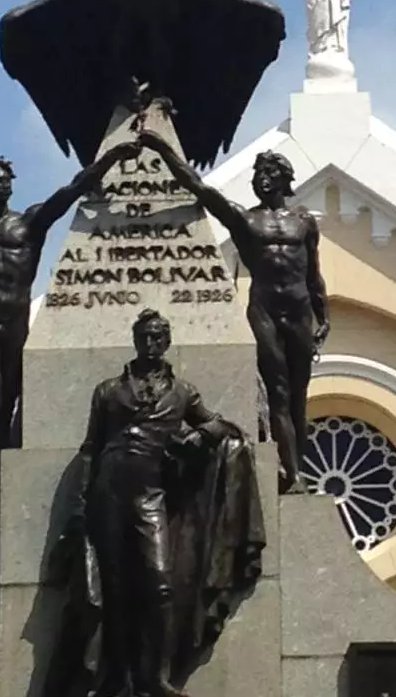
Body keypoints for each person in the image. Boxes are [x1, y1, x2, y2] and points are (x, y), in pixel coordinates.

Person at [47, 307, 264, 697]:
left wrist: (199, 439)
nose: (151, 343)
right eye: (144, 336)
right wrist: (80, 503)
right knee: (113, 590)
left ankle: (157, 678)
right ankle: (115, 680)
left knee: (159, 584)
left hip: (151, 495)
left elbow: (215, 425)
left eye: (158, 337)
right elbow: (91, 449)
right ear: (135, 339)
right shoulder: (108, 389)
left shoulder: (182, 392)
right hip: (108, 494)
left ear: (167, 342)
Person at [128, 132, 328, 494]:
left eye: (268, 172)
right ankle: (293, 474)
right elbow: (200, 189)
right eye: (257, 174)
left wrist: (323, 315)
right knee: (279, 392)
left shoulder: (304, 222)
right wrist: (163, 149)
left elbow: (313, 273)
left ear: (284, 177)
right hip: (265, 308)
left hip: (299, 309)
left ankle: (299, 466)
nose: (261, 179)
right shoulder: (244, 220)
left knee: (299, 394)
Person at [0, 152, 102, 500]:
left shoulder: (29, 223)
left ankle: (5, 473)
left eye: (7, 179)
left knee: (14, 399)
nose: (3, 184)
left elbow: (69, 192)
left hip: (16, 315)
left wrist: (109, 158)